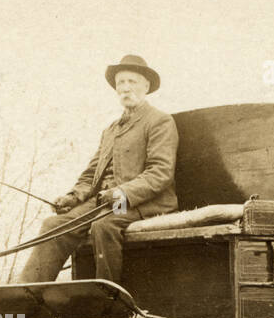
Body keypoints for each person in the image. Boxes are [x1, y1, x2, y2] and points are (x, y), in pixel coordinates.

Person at [15, 54, 179, 285]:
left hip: (140, 201)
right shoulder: (111, 129)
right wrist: (73, 197)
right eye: (121, 83)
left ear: (146, 86)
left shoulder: (159, 121)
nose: (125, 88)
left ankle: (108, 298)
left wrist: (119, 194)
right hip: (105, 200)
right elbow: (92, 174)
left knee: (104, 225)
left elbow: (160, 173)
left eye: (132, 82)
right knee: (53, 225)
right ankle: (28, 295)